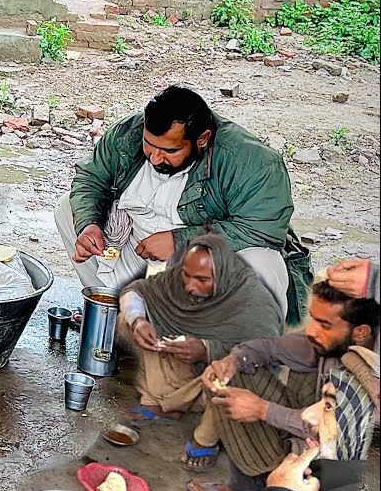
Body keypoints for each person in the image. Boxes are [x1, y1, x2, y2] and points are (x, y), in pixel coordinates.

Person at [55, 85, 312, 324]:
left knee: (264, 265)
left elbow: (262, 230)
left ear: (202, 140)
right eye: (149, 145)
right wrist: (89, 224)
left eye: (169, 151)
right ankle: (119, 316)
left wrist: (183, 242)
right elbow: (91, 178)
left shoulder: (253, 163)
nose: (155, 158)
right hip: (137, 251)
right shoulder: (128, 133)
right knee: (69, 209)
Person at [186, 281, 378, 491]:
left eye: (324, 324)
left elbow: (335, 434)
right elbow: (266, 348)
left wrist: (263, 410)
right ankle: (251, 490)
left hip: (347, 470)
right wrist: (232, 361)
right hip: (312, 432)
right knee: (234, 377)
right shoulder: (334, 343)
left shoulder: (371, 379)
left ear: (361, 332)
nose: (310, 330)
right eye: (313, 319)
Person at [116, 234, 284, 470]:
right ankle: (156, 403)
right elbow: (136, 291)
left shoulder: (253, 301)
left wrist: (207, 349)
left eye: (201, 280)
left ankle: (205, 440)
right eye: (186, 274)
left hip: (213, 388)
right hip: (182, 372)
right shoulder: (182, 277)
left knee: (237, 373)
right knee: (125, 321)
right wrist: (139, 321)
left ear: (222, 275)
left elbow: (265, 358)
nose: (189, 286)